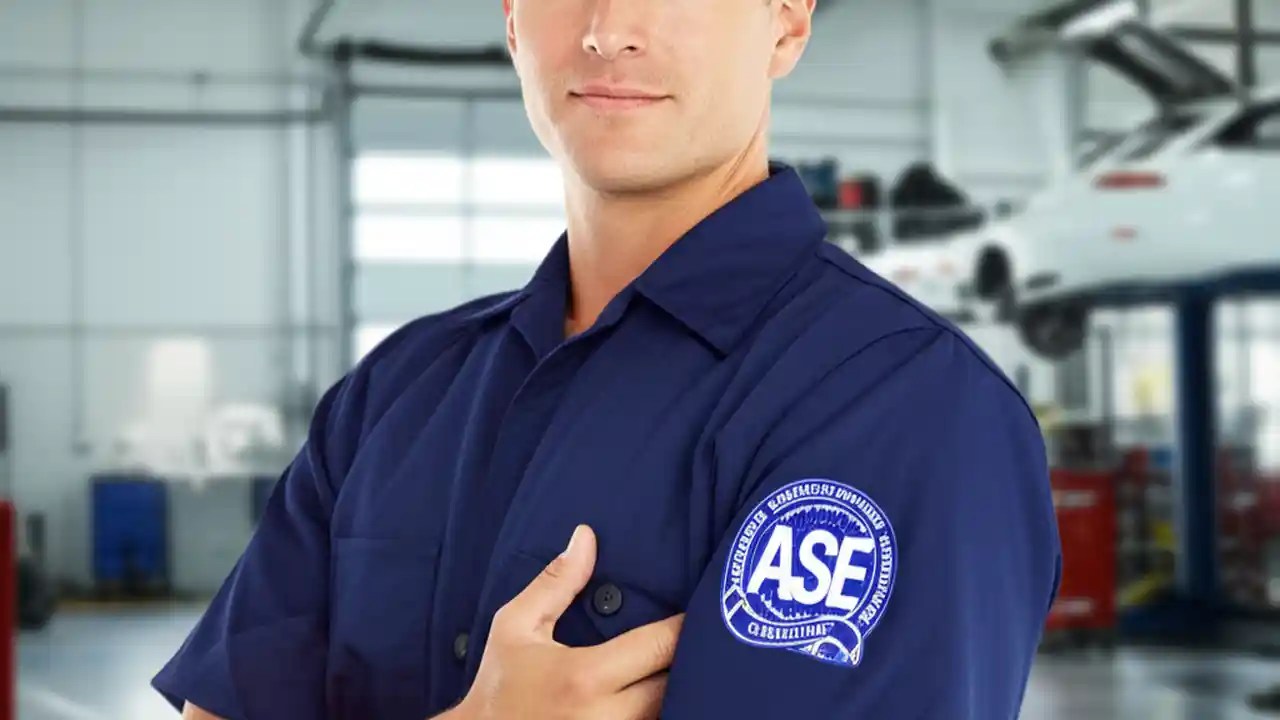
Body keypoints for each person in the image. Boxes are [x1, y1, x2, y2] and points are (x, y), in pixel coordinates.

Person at [153, 0, 1061, 717]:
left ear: (786, 18)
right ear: (511, 16)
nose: (607, 29)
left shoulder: (903, 408)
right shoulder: (395, 395)